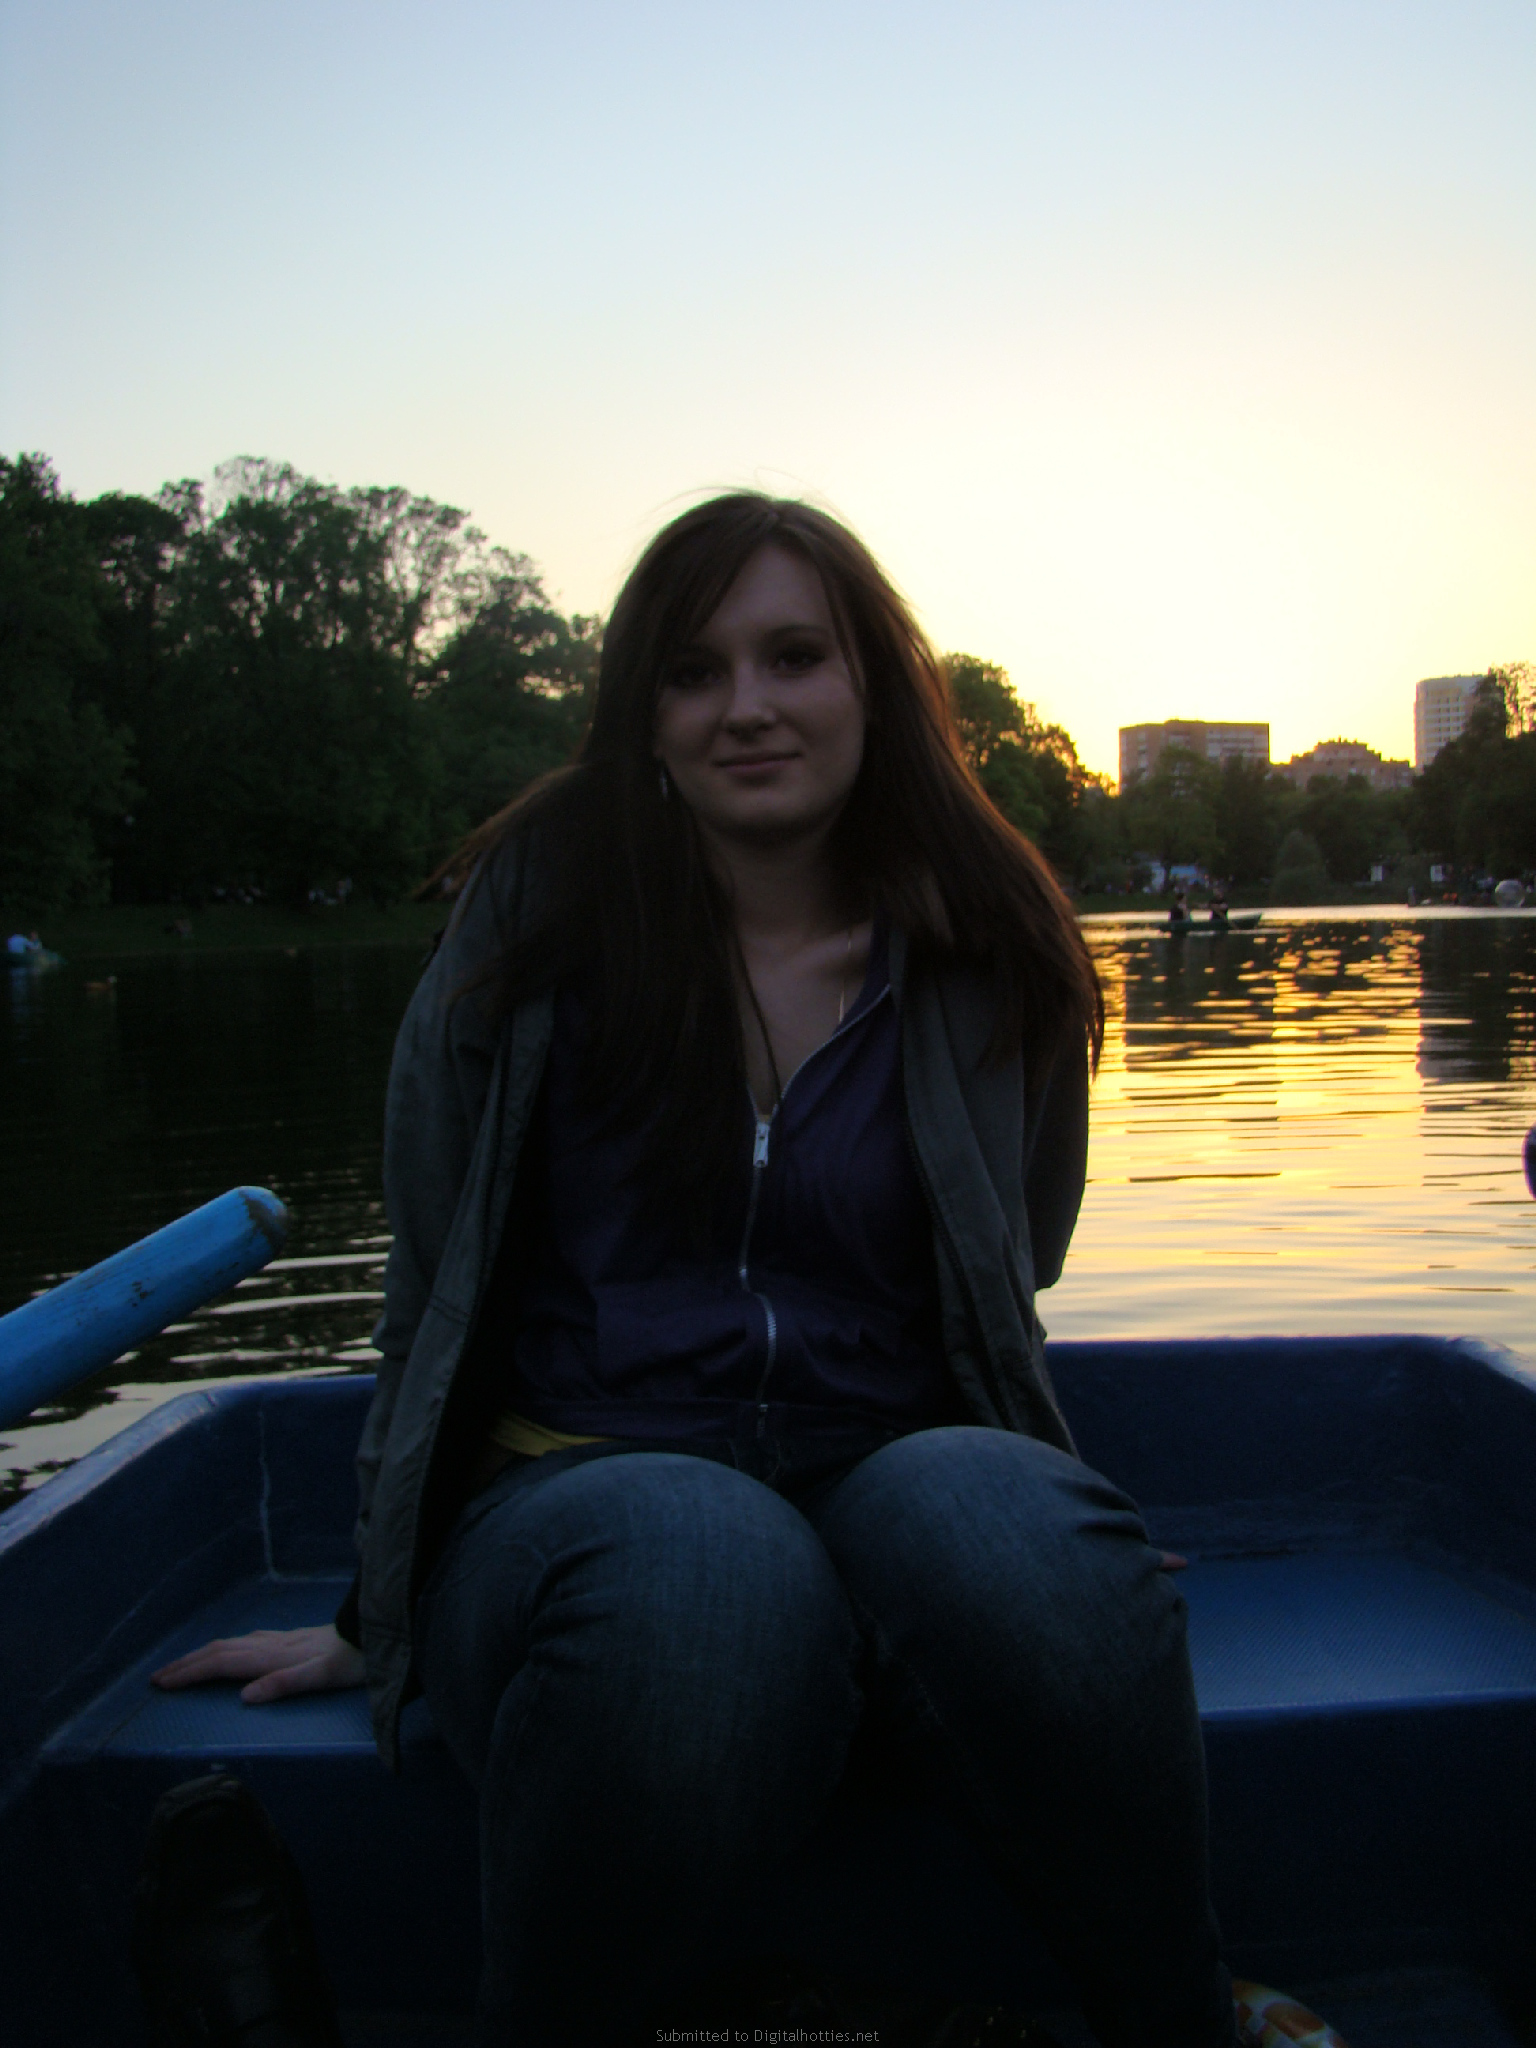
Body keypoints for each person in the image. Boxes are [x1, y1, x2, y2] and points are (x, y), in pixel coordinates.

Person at [154, 495, 1239, 2047]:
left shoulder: (991, 947)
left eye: (793, 656)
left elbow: (1019, 1258)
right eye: (693, 671)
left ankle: (1180, 2025)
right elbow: (430, 1290)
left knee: (1017, 1536)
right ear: (643, 715)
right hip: (570, 1500)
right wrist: (376, 1612)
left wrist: (1031, 1550)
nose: (746, 706)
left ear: (872, 685)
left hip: (887, 1472)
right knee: (703, 1570)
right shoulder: (530, 928)